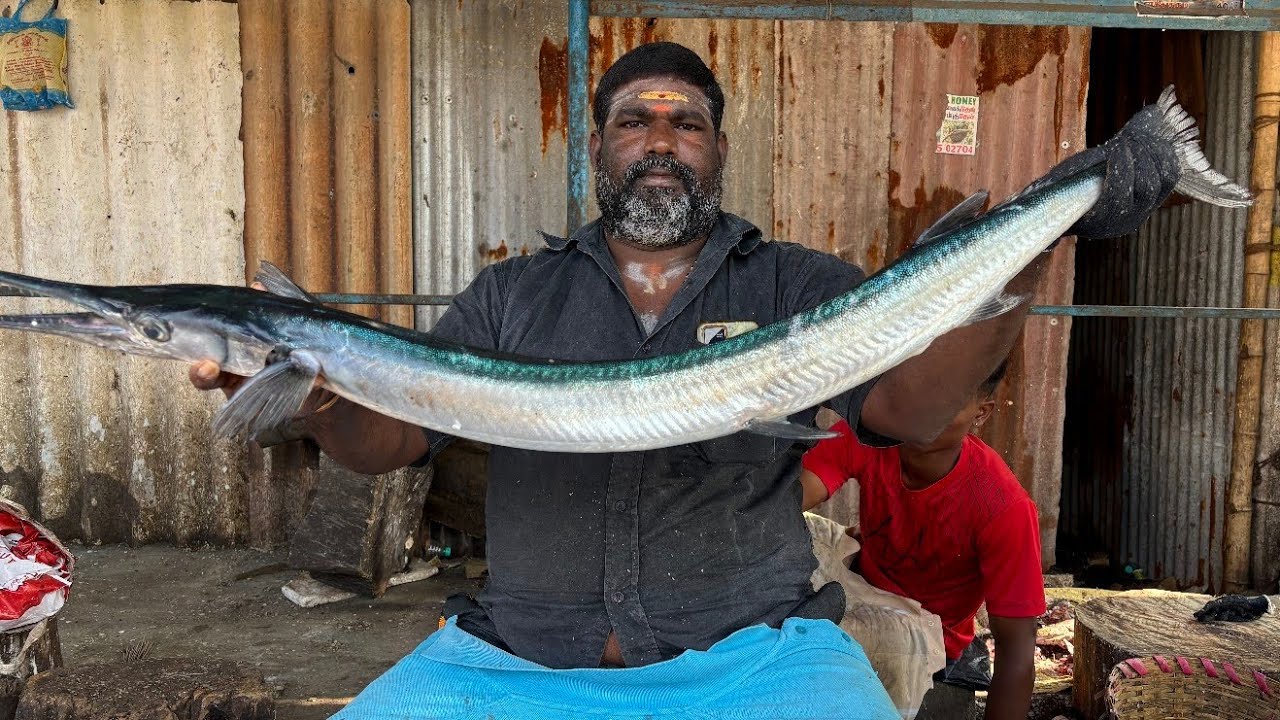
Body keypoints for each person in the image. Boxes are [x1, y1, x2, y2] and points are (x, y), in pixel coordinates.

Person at [187, 42, 1174, 719]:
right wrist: (310, 387)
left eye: (685, 122)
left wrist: (1033, 242)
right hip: (513, 662)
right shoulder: (509, 296)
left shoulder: (798, 283)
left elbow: (909, 407)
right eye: (634, 121)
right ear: (599, 148)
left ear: (716, 149)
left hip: (759, 659)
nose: (659, 139)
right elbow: (386, 443)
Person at [801, 361, 1043, 720]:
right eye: (918, 391)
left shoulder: (1003, 507)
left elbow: (1017, 655)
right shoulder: (871, 438)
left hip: (926, 633)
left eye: (948, 401)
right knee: (797, 534)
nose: (925, 410)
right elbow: (794, 497)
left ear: (981, 413)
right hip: (861, 586)